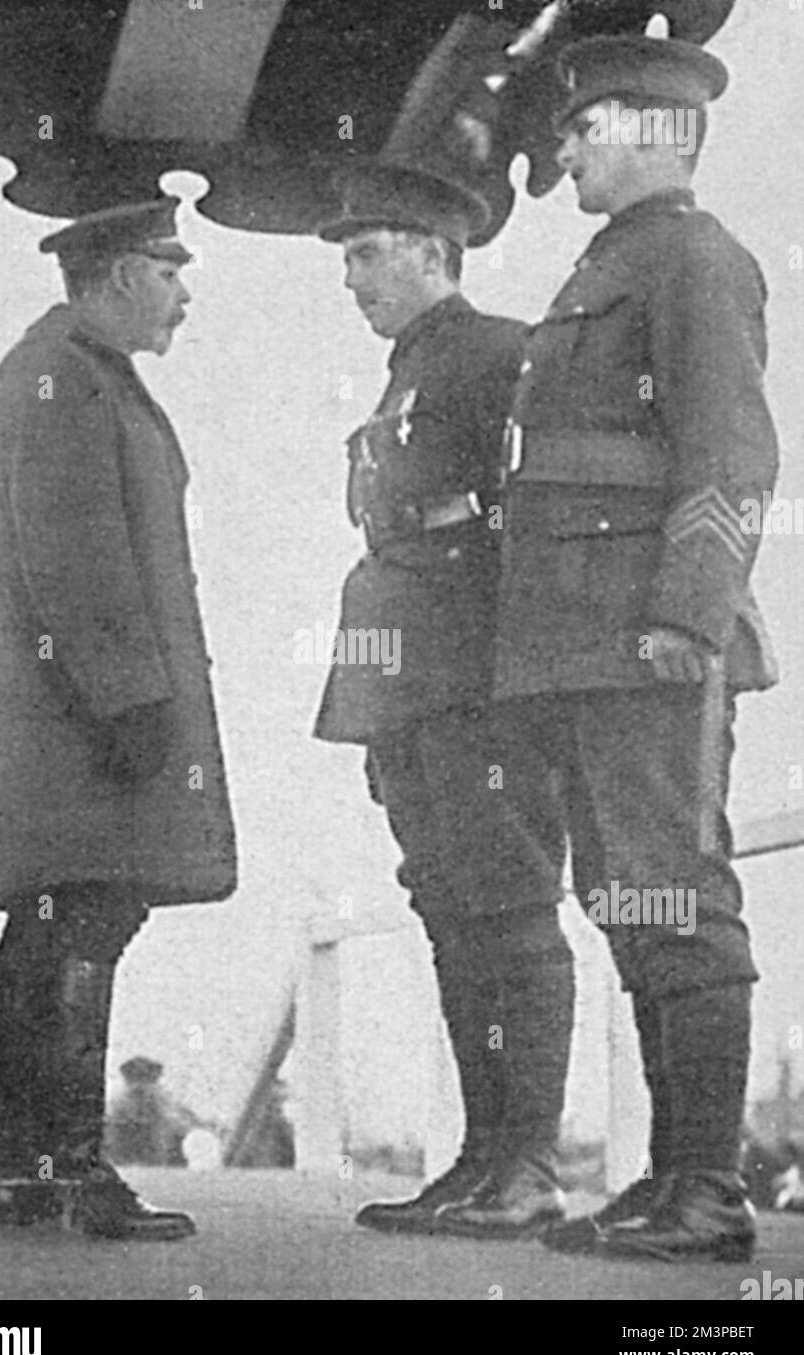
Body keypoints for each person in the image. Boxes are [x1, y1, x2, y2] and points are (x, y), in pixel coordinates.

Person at [442, 36, 779, 1260]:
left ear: (649, 131)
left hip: (648, 646)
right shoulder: (614, 261)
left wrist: (684, 618)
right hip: (586, 648)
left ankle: (706, 1191)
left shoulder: (692, 259)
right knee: (629, 901)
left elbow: (731, 460)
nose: (567, 145)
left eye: (586, 127)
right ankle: (667, 1180)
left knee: (675, 899)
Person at [0, 199, 237, 1240]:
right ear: (122, 273)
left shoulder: (68, 366)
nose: (182, 294)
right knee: (83, 921)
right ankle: (70, 1169)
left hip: (59, 709)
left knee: (48, 929)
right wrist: (130, 698)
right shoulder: (63, 372)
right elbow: (72, 553)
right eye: (171, 272)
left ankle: (27, 1173)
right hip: (82, 713)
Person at [313, 161, 576, 1236]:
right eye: (347, 262)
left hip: (476, 670)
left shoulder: (497, 351)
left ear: (434, 252)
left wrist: (525, 671)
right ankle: (481, 1156)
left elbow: (543, 518)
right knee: (448, 908)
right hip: (407, 672)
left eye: (369, 256)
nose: (352, 280)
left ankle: (528, 1164)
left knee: (508, 906)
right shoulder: (411, 366)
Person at [105, 1056, 198, 1167]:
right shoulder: (121, 1103)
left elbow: (181, 1123)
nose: (141, 1086)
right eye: (137, 1077)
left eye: (144, 1078)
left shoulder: (162, 1101)